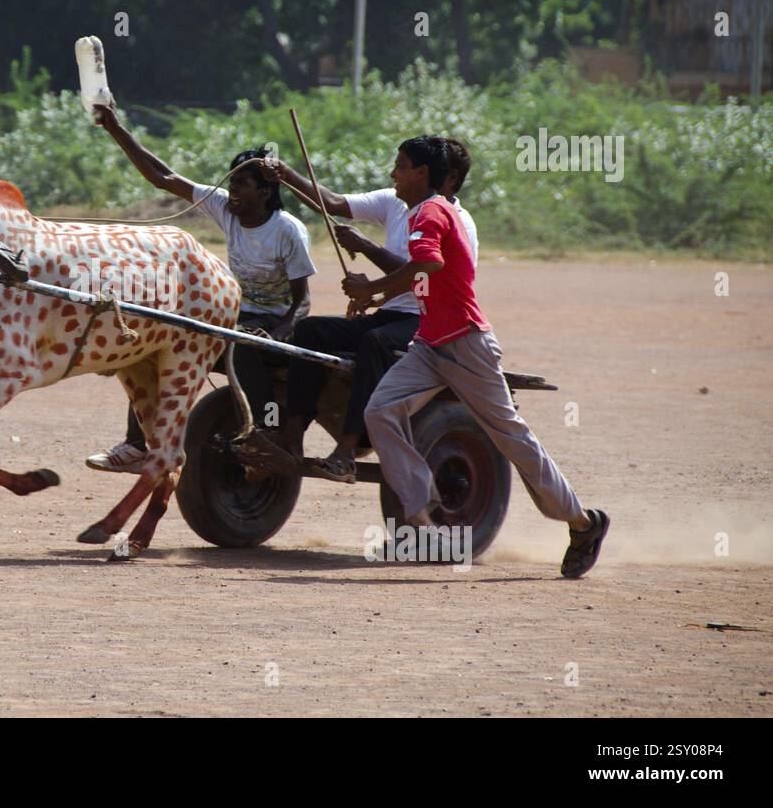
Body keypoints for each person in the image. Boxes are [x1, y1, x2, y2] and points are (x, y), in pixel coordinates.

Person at [344, 138, 610, 577]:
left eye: (401, 166)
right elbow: (425, 280)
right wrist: (377, 296)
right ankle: (421, 516)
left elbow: (426, 266)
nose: (393, 174)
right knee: (380, 410)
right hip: (430, 345)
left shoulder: (430, 212)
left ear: (423, 174)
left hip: (466, 344)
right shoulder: (423, 213)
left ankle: (583, 522)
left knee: (509, 436)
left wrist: (371, 289)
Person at [84, 104, 315, 474]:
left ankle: (261, 434)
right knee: (159, 340)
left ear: (266, 191)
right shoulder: (225, 208)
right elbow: (163, 177)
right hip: (236, 314)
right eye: (232, 181)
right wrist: (115, 127)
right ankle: (137, 445)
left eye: (242, 183)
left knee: (244, 344)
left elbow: (302, 302)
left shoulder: (287, 230)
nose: (232, 190)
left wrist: (275, 333)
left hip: (275, 326)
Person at [260, 137, 477, 482]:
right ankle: (291, 437)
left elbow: (423, 275)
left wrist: (369, 268)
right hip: (392, 316)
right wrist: (284, 174)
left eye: (401, 168)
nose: (393, 174)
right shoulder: (396, 203)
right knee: (309, 331)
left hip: (427, 321)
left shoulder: (456, 222)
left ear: (440, 176)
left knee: (375, 342)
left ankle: (347, 451)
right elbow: (330, 201)